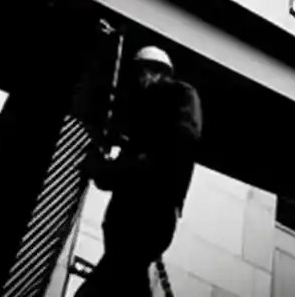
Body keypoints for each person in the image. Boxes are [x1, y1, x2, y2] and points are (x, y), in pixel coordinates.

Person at [76, 46, 202, 297]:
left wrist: (105, 168)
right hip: (135, 219)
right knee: (126, 282)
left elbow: (169, 153)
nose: (135, 83)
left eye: (138, 75)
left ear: (153, 72)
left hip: (144, 216)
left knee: (106, 284)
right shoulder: (146, 125)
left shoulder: (179, 96)